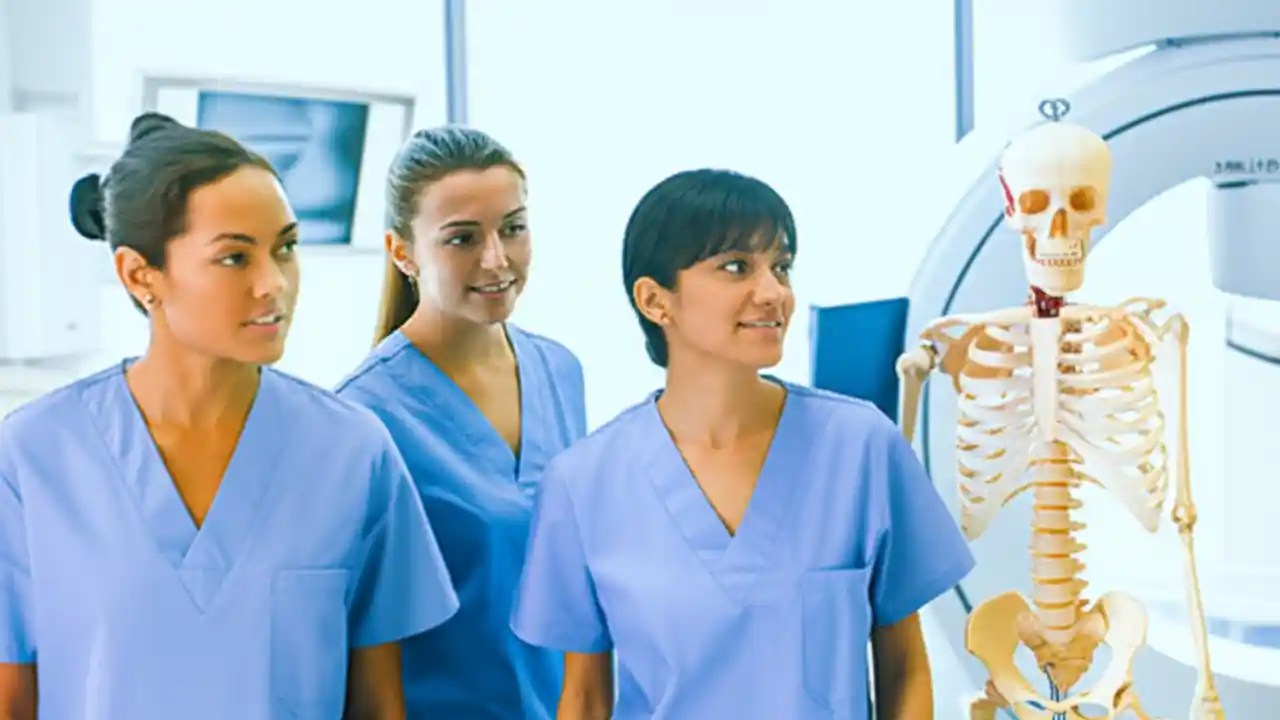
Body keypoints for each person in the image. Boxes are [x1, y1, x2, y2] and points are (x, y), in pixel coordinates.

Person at [0, 113, 459, 720]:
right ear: (141, 276)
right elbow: (12, 699)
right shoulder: (34, 456)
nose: (275, 284)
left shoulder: (351, 452)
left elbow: (377, 705)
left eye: (286, 249)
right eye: (234, 259)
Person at [509, 168, 976, 719]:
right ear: (656, 301)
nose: (775, 292)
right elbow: (584, 698)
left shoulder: (860, 449)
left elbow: (904, 669)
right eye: (736, 267)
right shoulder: (584, 482)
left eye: (781, 266)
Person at [335, 126, 586, 719]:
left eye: (513, 228)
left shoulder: (561, 371)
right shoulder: (362, 419)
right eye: (462, 239)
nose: (496, 259)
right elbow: (359, 649)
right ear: (403, 253)